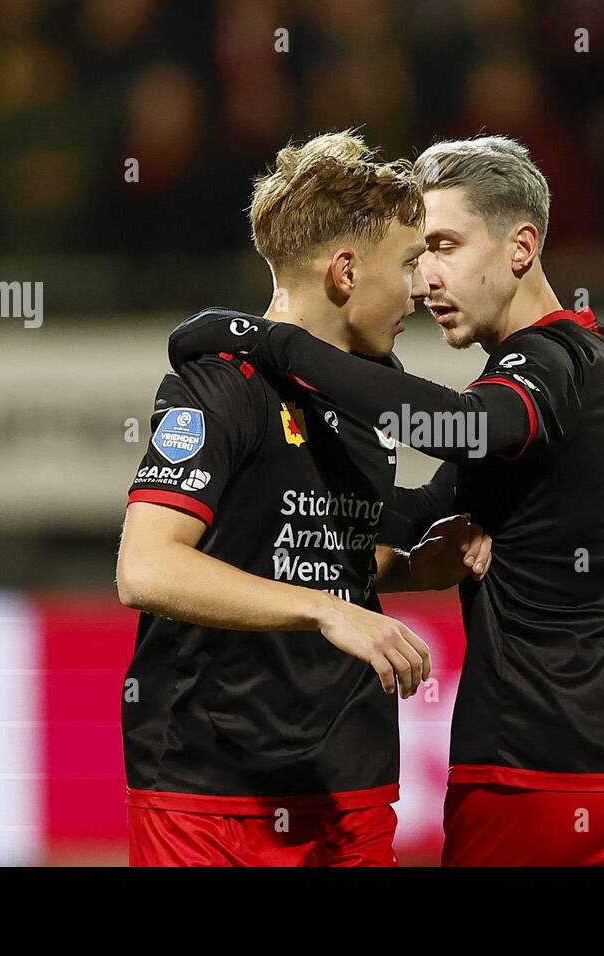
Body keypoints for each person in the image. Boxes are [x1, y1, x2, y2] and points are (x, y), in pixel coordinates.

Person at [169, 135, 604, 866]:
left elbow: (460, 427)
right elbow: (410, 512)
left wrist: (275, 346)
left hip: (543, 780)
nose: (425, 278)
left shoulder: (543, 362)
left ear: (521, 246)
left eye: (445, 245)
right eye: (418, 253)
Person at [116, 131, 491, 866]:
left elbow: (323, 554)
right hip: (209, 787)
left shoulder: (367, 391)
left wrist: (414, 569)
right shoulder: (219, 386)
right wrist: (327, 612)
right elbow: (146, 570)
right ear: (346, 271)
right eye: (410, 264)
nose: (420, 288)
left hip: (345, 780)